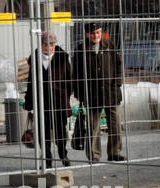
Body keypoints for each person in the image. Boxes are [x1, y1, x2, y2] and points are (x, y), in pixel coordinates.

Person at [75, 22, 125, 162]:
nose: (95, 36)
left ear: (101, 32)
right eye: (92, 33)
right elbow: (77, 73)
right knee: (93, 126)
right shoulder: (81, 50)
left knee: (115, 124)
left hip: (111, 92)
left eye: (97, 32)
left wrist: (117, 83)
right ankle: (94, 155)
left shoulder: (110, 45)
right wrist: (79, 93)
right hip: (92, 94)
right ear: (87, 34)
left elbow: (118, 65)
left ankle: (114, 152)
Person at [23, 30, 74, 169]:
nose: (49, 48)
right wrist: (29, 102)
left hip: (59, 102)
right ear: (41, 45)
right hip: (41, 103)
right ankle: (47, 160)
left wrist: (65, 96)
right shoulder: (35, 59)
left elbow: (70, 80)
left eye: (51, 45)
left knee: (60, 133)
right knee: (43, 133)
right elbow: (31, 82)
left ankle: (63, 155)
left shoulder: (62, 58)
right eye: (46, 45)